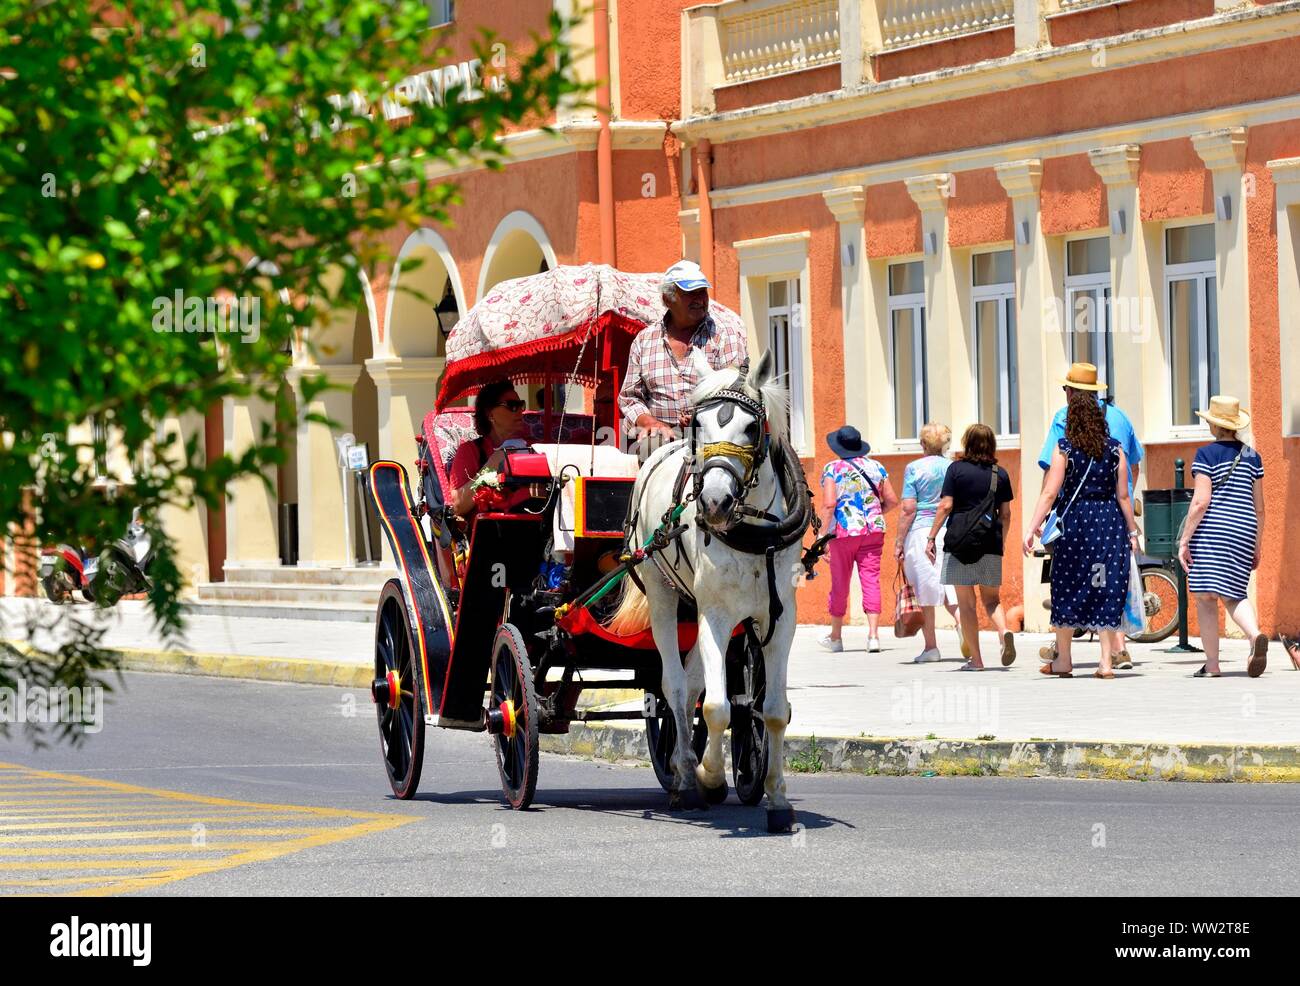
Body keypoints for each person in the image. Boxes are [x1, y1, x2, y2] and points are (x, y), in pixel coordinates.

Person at [1024, 383, 1139, 679]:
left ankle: (1063, 660)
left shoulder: (1064, 448)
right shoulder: (1115, 450)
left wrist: (1033, 526)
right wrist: (1133, 531)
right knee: (1103, 586)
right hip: (1108, 524)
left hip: (1074, 524)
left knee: (1066, 584)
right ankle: (1105, 662)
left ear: (1072, 418)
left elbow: (1050, 492)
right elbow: (1124, 495)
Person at [617, 260, 748, 463]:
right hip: (663, 437)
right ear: (667, 299)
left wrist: (701, 415)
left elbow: (736, 391)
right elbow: (629, 398)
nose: (699, 300)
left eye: (702, 292)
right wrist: (650, 422)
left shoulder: (725, 335)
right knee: (650, 447)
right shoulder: (644, 341)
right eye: (690, 293)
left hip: (714, 432)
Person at [1178, 397, 1269, 678]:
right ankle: (1254, 636)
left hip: (1213, 531)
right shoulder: (1253, 456)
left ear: (1214, 424)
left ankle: (1213, 665)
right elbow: (1260, 508)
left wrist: (1184, 540)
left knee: (1206, 597)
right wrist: (1256, 546)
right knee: (1234, 595)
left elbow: (1201, 502)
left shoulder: (1206, 454)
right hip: (1244, 531)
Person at [926, 424, 1015, 671]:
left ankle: (976, 661)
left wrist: (931, 537)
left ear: (967, 443)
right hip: (989, 542)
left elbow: (945, 506)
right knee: (992, 600)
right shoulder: (1001, 474)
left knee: (966, 604)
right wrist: (1001, 540)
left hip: (960, 542)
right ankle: (1003, 630)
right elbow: (1006, 514)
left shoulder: (956, 470)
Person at [819, 425, 898, 654]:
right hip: (873, 531)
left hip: (843, 532)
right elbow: (892, 500)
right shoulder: (877, 466)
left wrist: (822, 535)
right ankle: (873, 636)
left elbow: (829, 503)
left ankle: (836, 638)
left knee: (840, 583)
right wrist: (874, 514)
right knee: (871, 580)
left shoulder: (832, 468)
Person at [895, 422, 961, 663]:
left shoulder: (914, 468)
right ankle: (963, 628)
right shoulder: (954, 467)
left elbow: (908, 508)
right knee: (951, 587)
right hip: (950, 531)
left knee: (925, 590)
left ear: (922, 444)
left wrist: (899, 542)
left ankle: (931, 647)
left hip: (922, 531)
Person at [448, 380, 526, 519]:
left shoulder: (533, 447)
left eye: (521, 405)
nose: (520, 411)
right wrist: (491, 466)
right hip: (489, 530)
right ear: (490, 414)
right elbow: (457, 505)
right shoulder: (471, 450)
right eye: (512, 406)